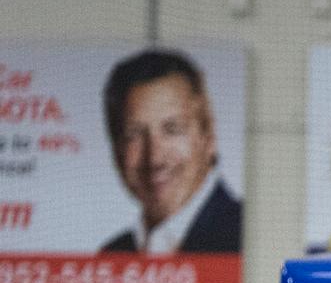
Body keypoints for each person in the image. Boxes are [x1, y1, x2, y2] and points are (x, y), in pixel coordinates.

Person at [98, 49, 242, 255]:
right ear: (115, 149)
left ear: (208, 137)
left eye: (172, 129)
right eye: (134, 135)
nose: (155, 158)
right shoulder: (111, 255)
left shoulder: (249, 236)